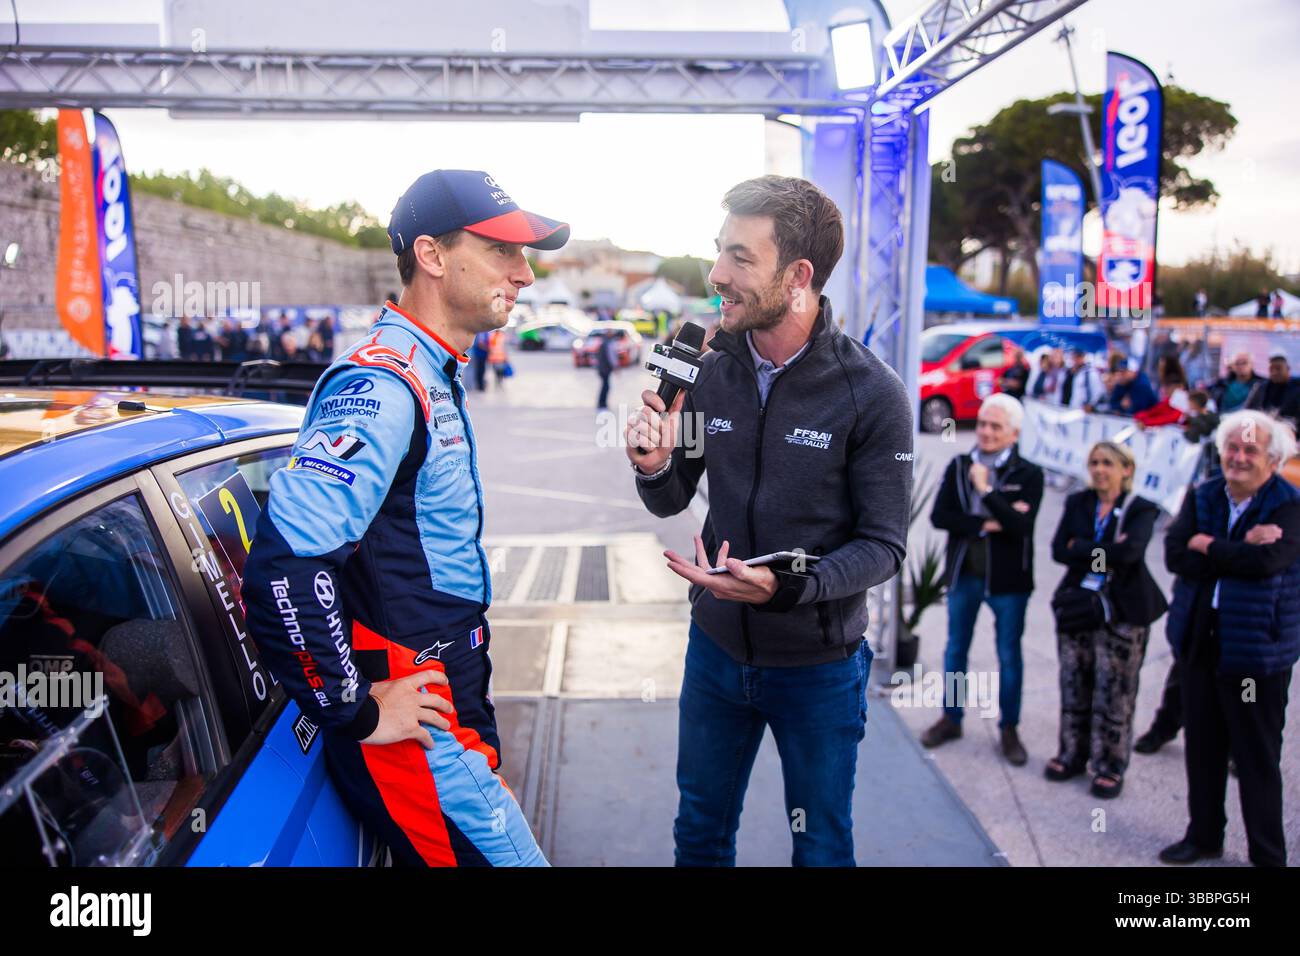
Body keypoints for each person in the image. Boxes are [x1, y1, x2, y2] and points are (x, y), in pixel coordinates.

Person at [243, 168, 569, 867]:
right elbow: (286, 571)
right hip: (418, 715)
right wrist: (355, 709)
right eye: (503, 251)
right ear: (431, 255)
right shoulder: (381, 385)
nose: (525, 274)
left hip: (452, 687)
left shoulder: (432, 370)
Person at [625, 175, 912, 867]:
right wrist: (653, 463)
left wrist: (786, 586)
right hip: (715, 653)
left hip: (818, 669)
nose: (717, 274)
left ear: (798, 276)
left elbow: (883, 547)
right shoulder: (707, 367)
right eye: (718, 252)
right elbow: (671, 498)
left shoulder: (872, 393)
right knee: (698, 832)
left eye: (740, 258)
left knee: (819, 848)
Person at [1159, 410, 1300, 866]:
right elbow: (1176, 554)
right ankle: (1203, 836)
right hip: (1202, 641)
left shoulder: (1289, 505)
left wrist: (1210, 545)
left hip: (1257, 651)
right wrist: (1233, 550)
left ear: (1273, 460)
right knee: (1202, 748)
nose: (1238, 458)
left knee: (1256, 758)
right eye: (1231, 449)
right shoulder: (1203, 495)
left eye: (1250, 450)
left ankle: (1267, 855)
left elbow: (1267, 565)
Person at [924, 393, 1044, 765]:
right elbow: (941, 516)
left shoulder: (1029, 474)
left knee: (1009, 654)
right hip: (965, 574)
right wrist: (987, 522)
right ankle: (952, 717)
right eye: (983, 424)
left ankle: (1009, 727)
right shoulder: (959, 465)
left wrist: (986, 491)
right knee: (956, 648)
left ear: (1014, 434)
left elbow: (1021, 527)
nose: (986, 432)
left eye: (996, 426)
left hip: (1008, 581)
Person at [1047, 441, 1168, 798]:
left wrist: (1080, 547)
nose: (1100, 469)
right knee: (1074, 682)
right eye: (1095, 462)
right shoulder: (1078, 502)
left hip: (1123, 610)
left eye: (1108, 463)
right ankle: (1072, 753)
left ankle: (1110, 765)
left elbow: (1131, 553)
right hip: (1080, 605)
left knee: (1115, 690)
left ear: (1126, 469)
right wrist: (1103, 553)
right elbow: (1057, 550)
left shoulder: (1141, 508)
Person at [1245, 348, 1300, 423]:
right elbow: (1247, 411)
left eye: (1278, 368)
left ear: (1288, 369)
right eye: (1271, 369)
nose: (1274, 372)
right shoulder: (1261, 388)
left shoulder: (1297, 388)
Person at [595, 328, 617, 410]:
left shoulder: (604, 342)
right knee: (606, 386)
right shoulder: (608, 343)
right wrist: (615, 367)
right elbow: (612, 357)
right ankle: (602, 403)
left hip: (602, 368)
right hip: (604, 369)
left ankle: (602, 403)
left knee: (605, 386)